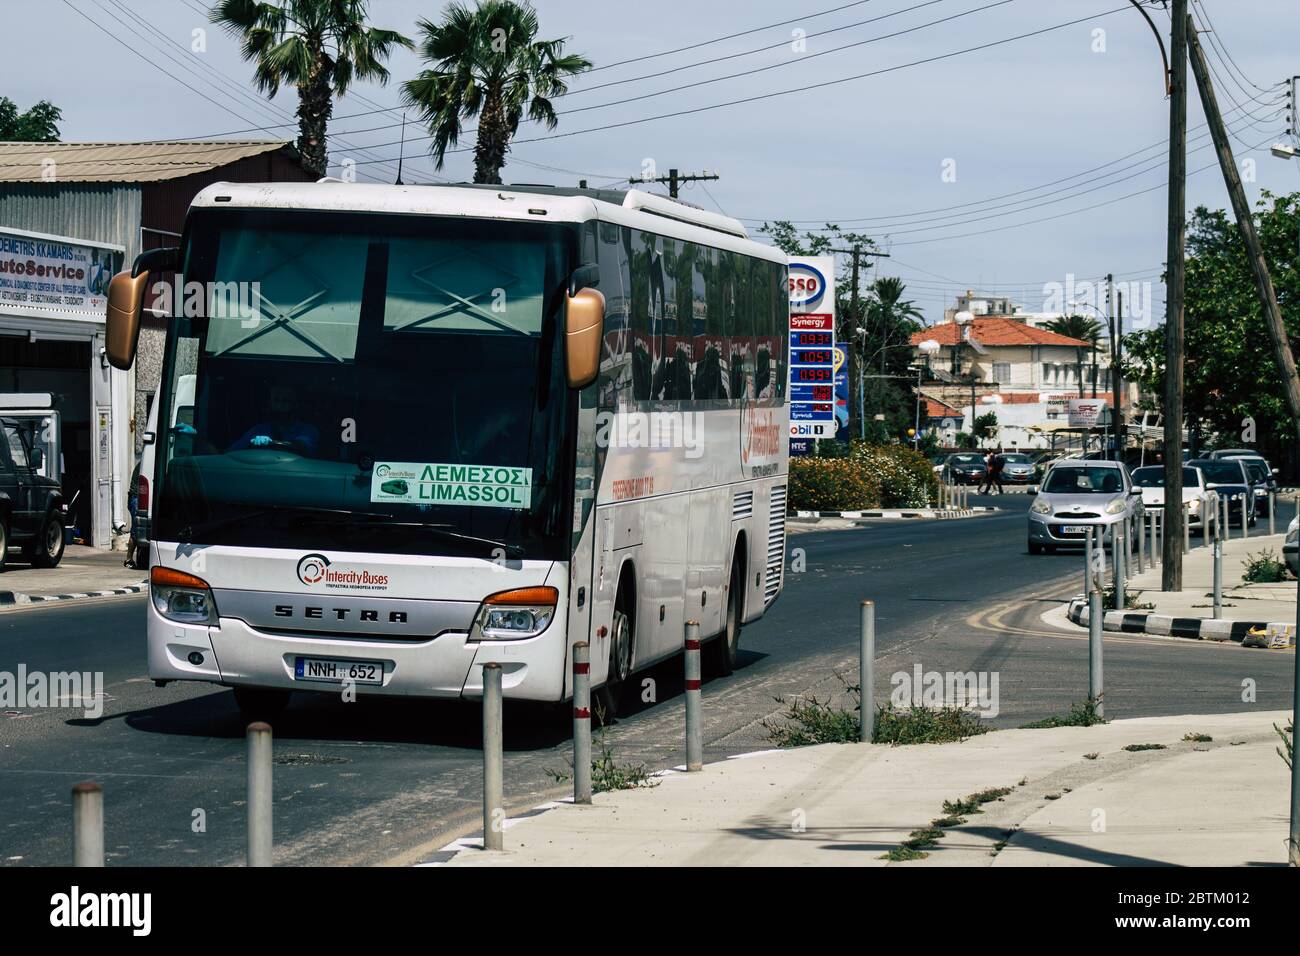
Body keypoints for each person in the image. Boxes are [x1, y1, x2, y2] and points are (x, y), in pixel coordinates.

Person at [230, 383, 319, 455]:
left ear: (295, 404)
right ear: (270, 404)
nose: (280, 405)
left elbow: (302, 447)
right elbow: (232, 451)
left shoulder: (307, 430)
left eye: (285, 400)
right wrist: (251, 443)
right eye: (276, 400)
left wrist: (271, 442)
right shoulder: (259, 429)